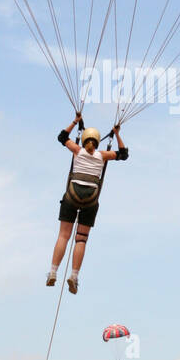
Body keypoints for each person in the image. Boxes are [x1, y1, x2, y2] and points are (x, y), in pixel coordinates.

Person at [47, 114, 128, 293]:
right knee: (81, 239)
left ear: (83, 140)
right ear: (97, 142)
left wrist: (75, 121)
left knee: (63, 236)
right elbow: (123, 154)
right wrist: (117, 133)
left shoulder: (77, 150)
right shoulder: (103, 155)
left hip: (72, 196)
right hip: (90, 200)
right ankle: (74, 276)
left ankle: (53, 271)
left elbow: (62, 137)